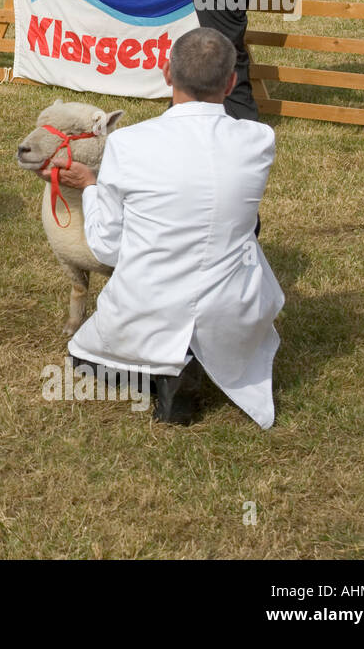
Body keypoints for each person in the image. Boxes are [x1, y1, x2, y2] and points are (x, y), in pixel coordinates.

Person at [42, 28, 283, 428]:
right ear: (231, 82)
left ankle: (168, 371)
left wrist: (90, 187)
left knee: (82, 359)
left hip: (146, 308)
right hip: (233, 311)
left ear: (167, 73)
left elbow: (106, 248)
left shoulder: (129, 144)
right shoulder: (259, 139)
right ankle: (193, 362)